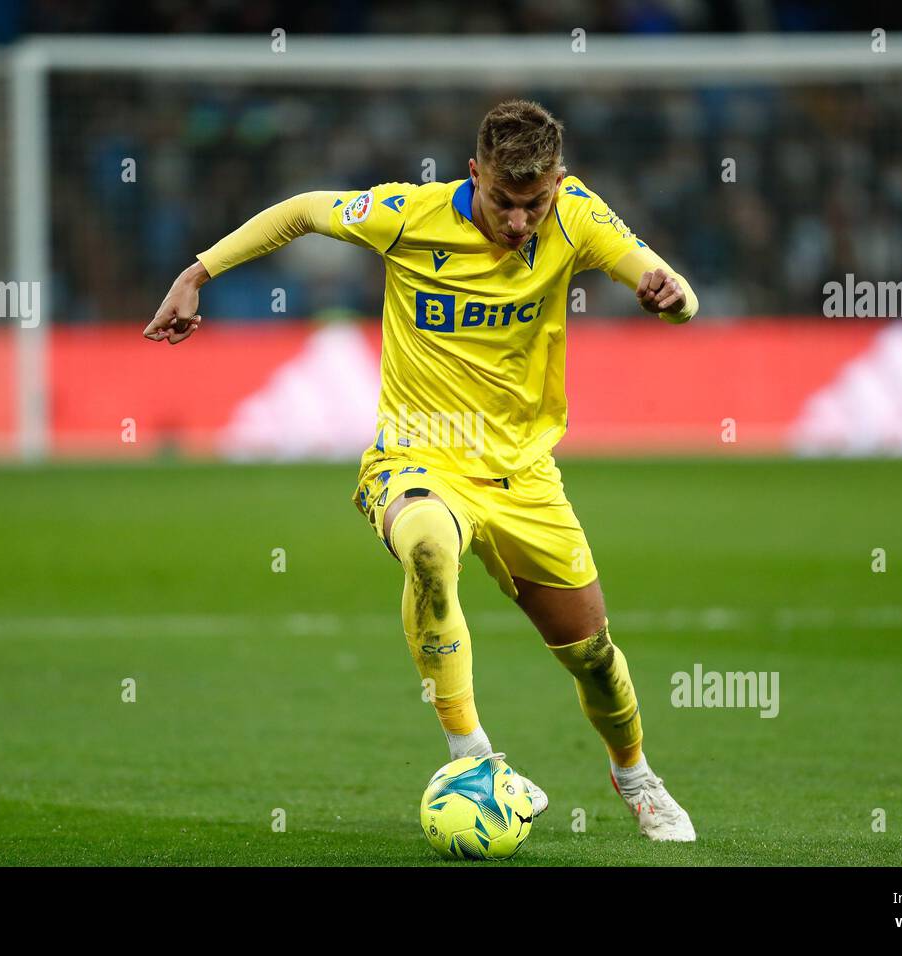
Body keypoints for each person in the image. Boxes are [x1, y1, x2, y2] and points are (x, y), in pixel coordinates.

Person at [145, 99, 698, 841]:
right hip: (416, 456)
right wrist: (197, 273)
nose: (518, 222)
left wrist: (673, 298)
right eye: (503, 201)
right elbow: (307, 210)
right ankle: (472, 756)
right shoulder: (410, 214)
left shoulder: (579, 216)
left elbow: (668, 285)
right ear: (475, 174)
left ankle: (635, 775)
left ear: (558, 184)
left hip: (524, 477)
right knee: (430, 550)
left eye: (535, 205)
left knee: (592, 656)